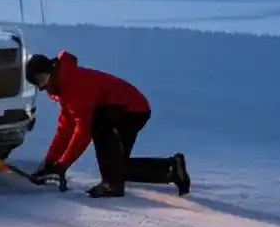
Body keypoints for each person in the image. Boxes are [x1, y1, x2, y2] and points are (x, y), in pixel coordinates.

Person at [24, 51, 190, 198]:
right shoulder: (63, 84)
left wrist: (63, 164)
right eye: (38, 83)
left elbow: (83, 132)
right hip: (127, 109)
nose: (43, 86)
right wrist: (50, 161)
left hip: (131, 111)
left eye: (42, 79)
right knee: (116, 166)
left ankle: (112, 185)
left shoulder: (73, 85)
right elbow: (65, 128)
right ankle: (172, 169)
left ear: (50, 70)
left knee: (98, 125)